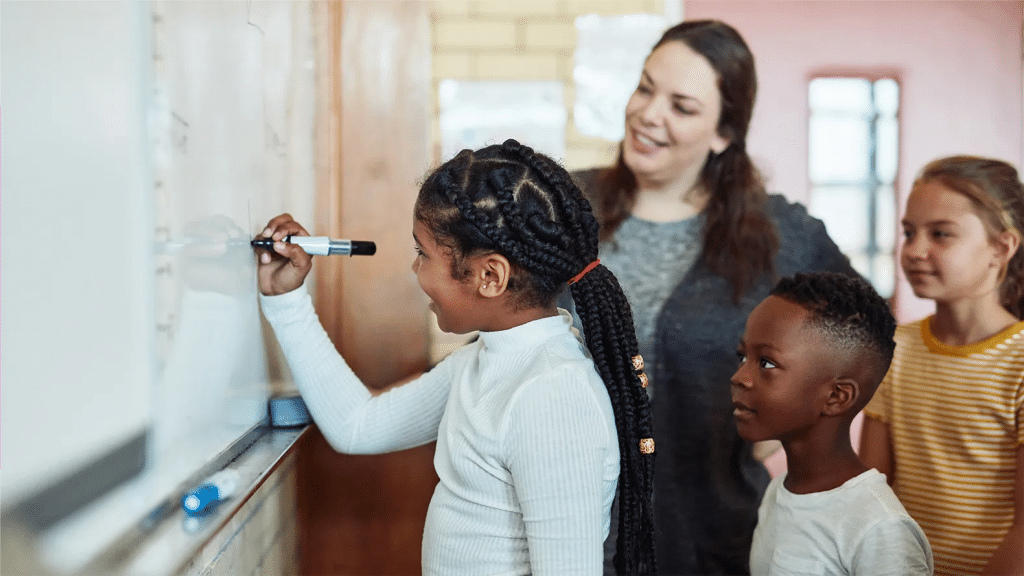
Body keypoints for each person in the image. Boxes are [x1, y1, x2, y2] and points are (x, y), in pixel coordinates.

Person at [254, 139, 657, 575]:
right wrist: (286, 300)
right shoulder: (483, 362)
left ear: (489, 276)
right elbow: (358, 427)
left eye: (422, 254)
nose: (415, 271)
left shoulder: (552, 394)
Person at [570, 19, 858, 574]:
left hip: (707, 534)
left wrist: (795, 425)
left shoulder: (778, 233)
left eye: (682, 106)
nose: (649, 114)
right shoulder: (567, 203)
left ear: (724, 132)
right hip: (567, 527)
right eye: (646, 87)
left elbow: (864, 330)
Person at [859, 155, 1024, 576]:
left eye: (941, 234)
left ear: (1001, 248)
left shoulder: (1018, 362)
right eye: (909, 232)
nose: (914, 251)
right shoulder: (894, 347)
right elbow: (872, 492)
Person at [732, 272, 933, 575]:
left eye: (766, 363)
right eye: (742, 356)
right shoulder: (777, 491)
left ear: (837, 396)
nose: (738, 377)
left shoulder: (878, 528)